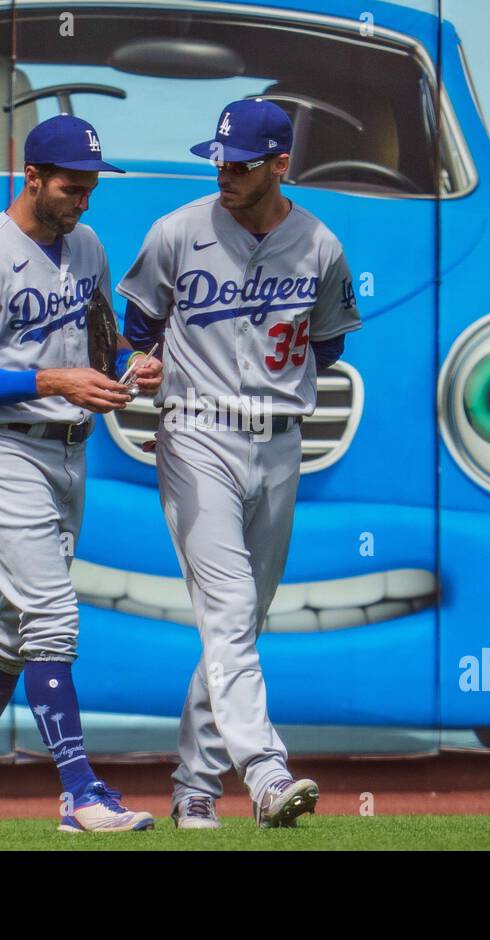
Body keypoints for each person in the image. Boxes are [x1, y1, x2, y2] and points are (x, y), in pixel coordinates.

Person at [0, 114, 163, 834]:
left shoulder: (85, 244)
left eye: (90, 187)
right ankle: (81, 794)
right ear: (31, 178)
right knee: (53, 619)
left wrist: (129, 369)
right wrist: (57, 381)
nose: (82, 200)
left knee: (11, 632)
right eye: (70, 187)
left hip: (69, 452)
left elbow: (102, 344)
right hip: (5, 452)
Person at [117, 99, 362, 829]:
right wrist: (145, 363)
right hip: (196, 435)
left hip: (281, 441)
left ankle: (195, 786)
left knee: (238, 626)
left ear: (280, 164)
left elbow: (329, 346)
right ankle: (264, 771)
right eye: (218, 158)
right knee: (228, 614)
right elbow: (134, 332)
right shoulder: (177, 233)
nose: (224, 170)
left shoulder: (319, 244)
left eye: (242, 162)